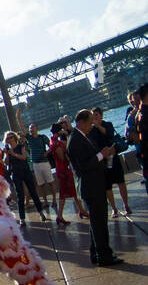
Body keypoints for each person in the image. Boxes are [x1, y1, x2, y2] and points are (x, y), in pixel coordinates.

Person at [69, 109, 121, 267]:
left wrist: (102, 155)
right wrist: (101, 155)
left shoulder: (81, 137)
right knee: (99, 224)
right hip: (91, 186)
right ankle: (104, 256)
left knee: (96, 223)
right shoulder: (76, 140)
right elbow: (83, 166)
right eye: (90, 122)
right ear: (82, 122)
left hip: (94, 185)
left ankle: (95, 253)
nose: (92, 125)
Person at [91, 107, 132, 217]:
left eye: (96, 115)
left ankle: (126, 205)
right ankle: (114, 208)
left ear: (101, 115)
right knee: (107, 186)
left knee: (120, 181)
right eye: (93, 115)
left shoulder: (107, 124)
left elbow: (108, 134)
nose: (94, 117)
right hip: (103, 161)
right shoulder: (92, 130)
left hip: (113, 157)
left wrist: (98, 125)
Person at [3, 131, 47, 223]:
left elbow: (24, 157)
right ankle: (22, 218)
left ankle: (40, 212)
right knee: (20, 195)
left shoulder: (20, 146)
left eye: (11, 137)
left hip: (25, 171)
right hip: (16, 173)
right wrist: (7, 154)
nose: (9, 139)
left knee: (33, 192)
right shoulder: (8, 150)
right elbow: (7, 163)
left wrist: (14, 154)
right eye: (8, 138)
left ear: (14, 138)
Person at [49, 127, 84, 226]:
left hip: (60, 168)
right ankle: (61, 215)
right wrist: (68, 156)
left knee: (70, 191)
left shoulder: (53, 141)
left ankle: (81, 210)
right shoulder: (57, 143)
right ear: (58, 131)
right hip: (63, 169)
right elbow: (62, 157)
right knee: (67, 192)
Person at [27, 122, 57, 211]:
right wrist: (18, 118)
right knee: (41, 184)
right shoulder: (29, 138)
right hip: (35, 164)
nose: (31, 129)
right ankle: (45, 201)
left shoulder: (42, 137)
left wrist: (47, 153)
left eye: (32, 127)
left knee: (51, 182)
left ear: (37, 128)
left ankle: (54, 199)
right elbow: (23, 129)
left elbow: (51, 146)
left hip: (44, 162)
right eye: (30, 128)